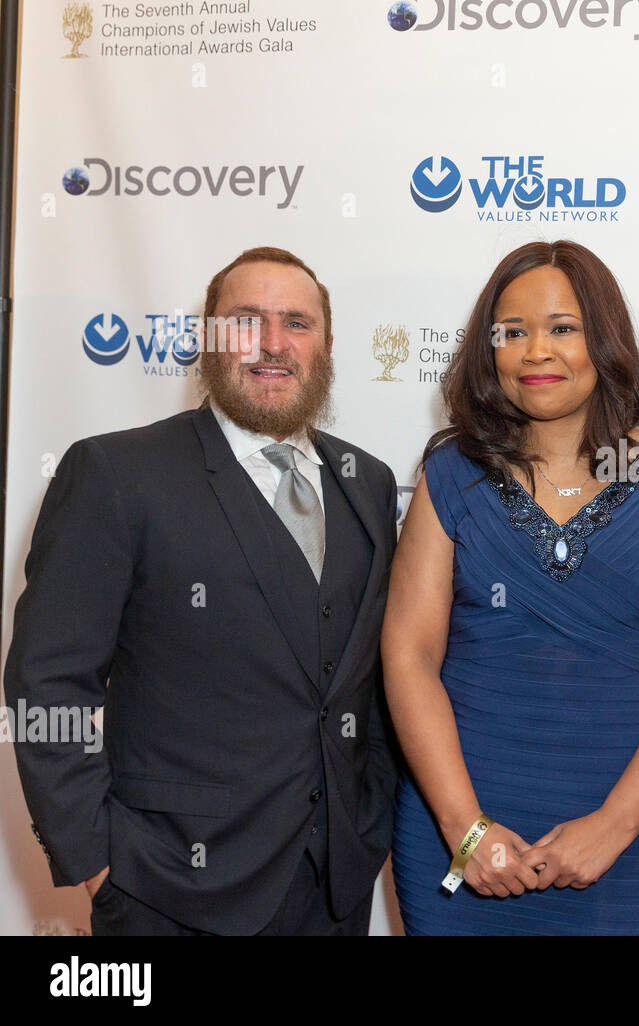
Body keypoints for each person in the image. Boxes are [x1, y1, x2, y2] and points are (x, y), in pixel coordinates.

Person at [6, 246, 399, 935]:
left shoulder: (365, 481)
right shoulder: (115, 472)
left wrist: (370, 819)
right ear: (208, 340)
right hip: (165, 891)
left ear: (327, 346)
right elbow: (48, 682)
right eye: (247, 321)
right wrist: (98, 859)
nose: (274, 344)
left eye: (297, 324)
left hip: (333, 892)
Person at [383, 240, 639, 935]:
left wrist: (613, 825)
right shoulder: (451, 475)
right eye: (511, 332)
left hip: (631, 844)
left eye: (562, 328)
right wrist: (465, 829)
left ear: (603, 340)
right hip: (459, 833)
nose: (534, 352)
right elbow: (408, 657)